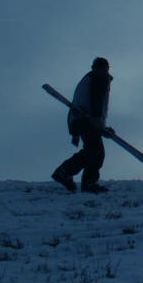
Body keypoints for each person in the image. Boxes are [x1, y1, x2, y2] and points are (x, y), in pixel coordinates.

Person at [52, 57, 114, 193]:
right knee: (95, 152)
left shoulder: (89, 79)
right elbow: (96, 103)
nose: (104, 71)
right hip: (86, 120)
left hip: (80, 120)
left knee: (94, 152)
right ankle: (75, 177)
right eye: (103, 68)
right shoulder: (98, 79)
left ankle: (70, 175)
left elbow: (87, 102)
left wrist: (78, 133)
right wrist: (99, 124)